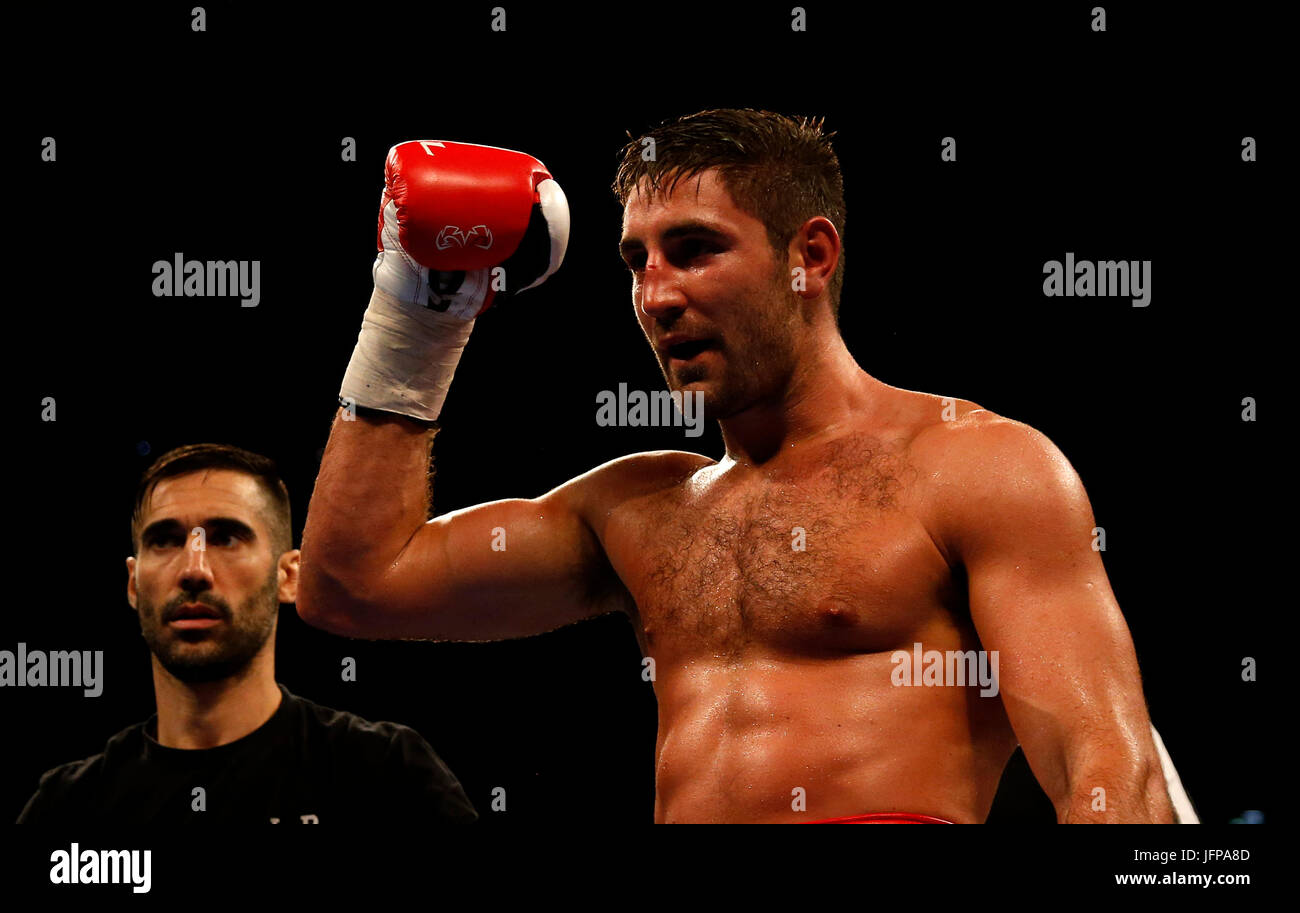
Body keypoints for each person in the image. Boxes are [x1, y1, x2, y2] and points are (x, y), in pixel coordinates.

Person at [299, 110, 1177, 823]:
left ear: (811, 257)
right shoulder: (638, 506)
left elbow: (1104, 769)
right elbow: (352, 585)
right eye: (635, 261)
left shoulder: (978, 466)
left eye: (694, 249)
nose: (656, 294)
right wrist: (417, 318)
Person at [18, 443, 476, 824]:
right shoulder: (68, 809)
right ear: (134, 583)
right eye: (165, 540)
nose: (194, 570)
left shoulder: (386, 774)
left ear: (289, 576)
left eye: (226, 537)